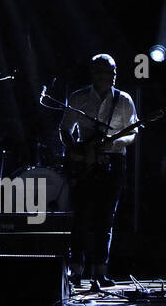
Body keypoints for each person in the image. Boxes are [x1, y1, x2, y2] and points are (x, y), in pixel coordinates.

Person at [59, 54, 138, 288]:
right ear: (93, 73)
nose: (105, 76)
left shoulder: (124, 100)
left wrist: (113, 144)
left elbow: (132, 132)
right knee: (81, 217)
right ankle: (75, 271)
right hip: (85, 164)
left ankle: (100, 272)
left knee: (105, 218)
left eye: (109, 71)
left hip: (113, 162)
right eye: (99, 71)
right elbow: (64, 129)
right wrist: (74, 150)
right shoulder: (79, 98)